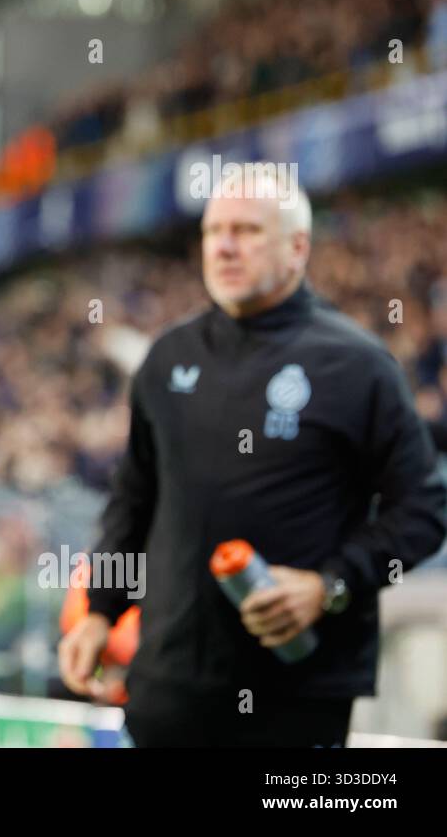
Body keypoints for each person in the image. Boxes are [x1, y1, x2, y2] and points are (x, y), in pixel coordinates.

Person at [58, 171, 447, 747]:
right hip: (169, 683)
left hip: (298, 694)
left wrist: (329, 585)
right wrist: (100, 610)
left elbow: (425, 508)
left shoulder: (359, 366)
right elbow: (134, 501)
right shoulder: (168, 358)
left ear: (298, 247)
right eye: (214, 230)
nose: (223, 245)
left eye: (246, 230)